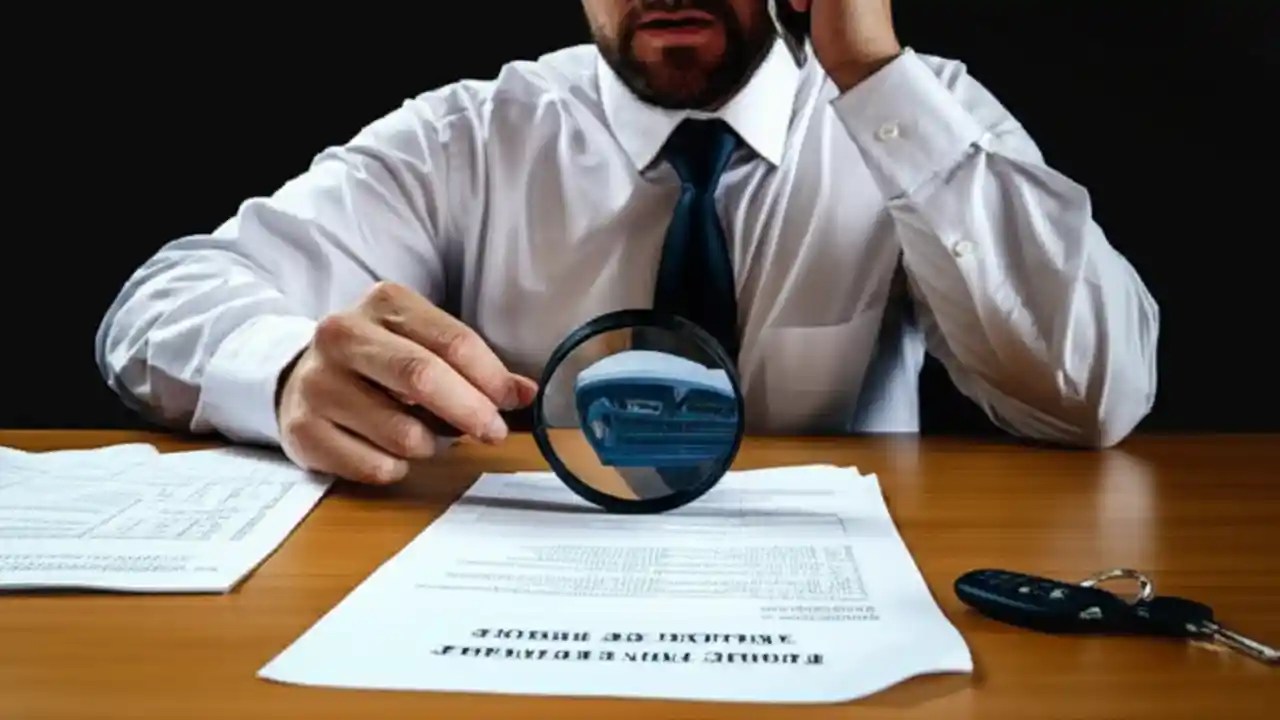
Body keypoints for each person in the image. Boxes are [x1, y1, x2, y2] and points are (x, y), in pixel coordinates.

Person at [96, 0, 1159, 486]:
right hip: (520, 594)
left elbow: (1092, 395)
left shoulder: (916, 114)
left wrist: (871, 69)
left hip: (826, 610)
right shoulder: (474, 133)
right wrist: (283, 368)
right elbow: (166, 301)